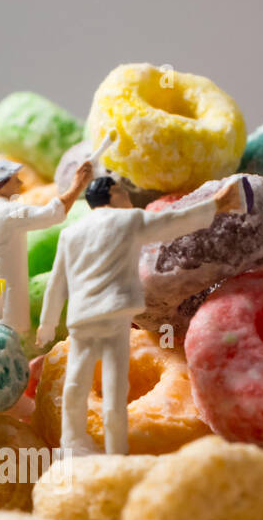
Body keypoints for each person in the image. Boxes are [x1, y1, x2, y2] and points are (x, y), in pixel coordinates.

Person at [36, 174, 250, 454]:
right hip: (114, 316)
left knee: (77, 377)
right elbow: (173, 223)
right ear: (112, 195)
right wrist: (218, 205)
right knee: (113, 383)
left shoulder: (72, 233)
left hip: (81, 316)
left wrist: (48, 324)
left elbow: (57, 283)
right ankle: (113, 446)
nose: (128, 199)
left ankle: (73, 441)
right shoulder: (126, 222)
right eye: (123, 194)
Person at [0, 157, 93, 332]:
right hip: (5, 299)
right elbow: (52, 214)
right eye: (15, 179)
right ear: (3, 183)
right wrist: (77, 185)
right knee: (7, 336)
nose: (20, 183)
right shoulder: (9, 212)